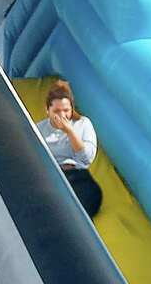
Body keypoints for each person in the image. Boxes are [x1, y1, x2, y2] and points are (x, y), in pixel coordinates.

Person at [36, 79, 101, 217]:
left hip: (77, 176)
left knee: (87, 200)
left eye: (66, 110)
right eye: (56, 111)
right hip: (51, 177)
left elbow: (86, 159)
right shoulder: (38, 129)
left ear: (72, 108)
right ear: (47, 109)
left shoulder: (82, 124)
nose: (62, 115)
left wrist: (70, 132)